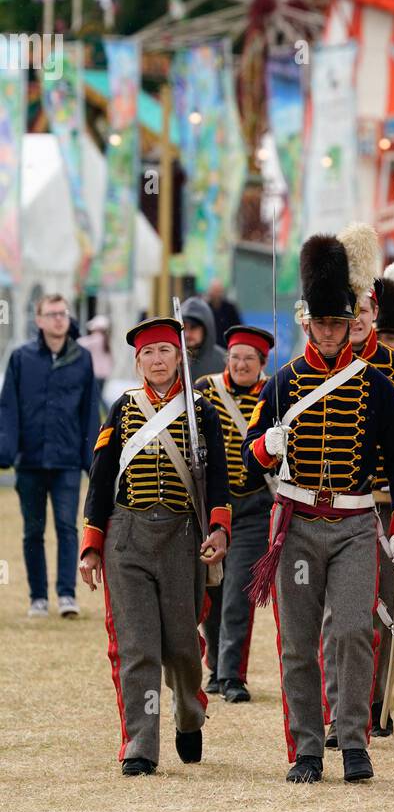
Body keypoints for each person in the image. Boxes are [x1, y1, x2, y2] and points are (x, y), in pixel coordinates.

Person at [243, 227, 394, 786]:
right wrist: (266, 448)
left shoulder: (376, 386)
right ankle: (307, 749)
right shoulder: (281, 384)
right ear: (306, 324)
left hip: (353, 524)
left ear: (349, 324)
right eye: (320, 323)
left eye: (337, 323)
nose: (328, 331)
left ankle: (354, 740)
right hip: (296, 523)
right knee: (298, 644)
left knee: (352, 632)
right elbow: (248, 459)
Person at [78, 316, 230, 775]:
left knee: (182, 645)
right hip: (127, 537)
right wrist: (92, 542)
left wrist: (219, 528)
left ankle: (189, 713)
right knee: (137, 647)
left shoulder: (201, 410)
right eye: (148, 352)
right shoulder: (123, 408)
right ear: (137, 361)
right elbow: (102, 475)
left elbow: (218, 477)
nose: (157, 359)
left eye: (165, 350)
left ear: (178, 357)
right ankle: (140, 745)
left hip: (182, 538)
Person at [323, 255, 394, 743]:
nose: (358, 318)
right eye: (351, 310)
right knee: (336, 616)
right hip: (336, 506)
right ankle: (336, 706)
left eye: (365, 309)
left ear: (376, 313)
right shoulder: (318, 369)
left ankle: (375, 702)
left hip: (385, 502)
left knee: (385, 610)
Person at [0, 294, 100, 618]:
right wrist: (6, 451)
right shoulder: (21, 358)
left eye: (63, 313)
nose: (59, 319)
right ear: (39, 320)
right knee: (33, 531)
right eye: (52, 313)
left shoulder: (82, 359)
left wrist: (92, 461)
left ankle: (67, 595)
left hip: (67, 461)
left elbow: (89, 413)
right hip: (29, 461)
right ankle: (38, 598)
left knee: (67, 528)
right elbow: (8, 407)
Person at [195, 324, 275, 702]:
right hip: (213, 507)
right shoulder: (206, 389)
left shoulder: (273, 393)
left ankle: (231, 676)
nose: (241, 364)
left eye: (249, 359)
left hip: (254, 506)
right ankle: (214, 665)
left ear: (262, 362)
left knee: (238, 591)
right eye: (235, 357)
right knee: (212, 587)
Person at [180, 294, 228, 687]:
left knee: (220, 582)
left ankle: (222, 662)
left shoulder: (223, 362)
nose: (190, 334)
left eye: (195, 327)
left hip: (218, 479)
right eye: (185, 327)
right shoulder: (171, 364)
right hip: (183, 486)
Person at [78, 314, 114, 396]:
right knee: (98, 394)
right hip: (103, 373)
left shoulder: (96, 338)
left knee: (95, 395)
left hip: (96, 373)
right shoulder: (105, 339)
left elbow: (80, 343)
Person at [205, 279, 242, 348]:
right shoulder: (205, 307)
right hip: (209, 346)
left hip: (226, 346)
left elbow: (238, 328)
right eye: (215, 291)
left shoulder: (230, 308)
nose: (217, 294)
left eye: (219, 291)